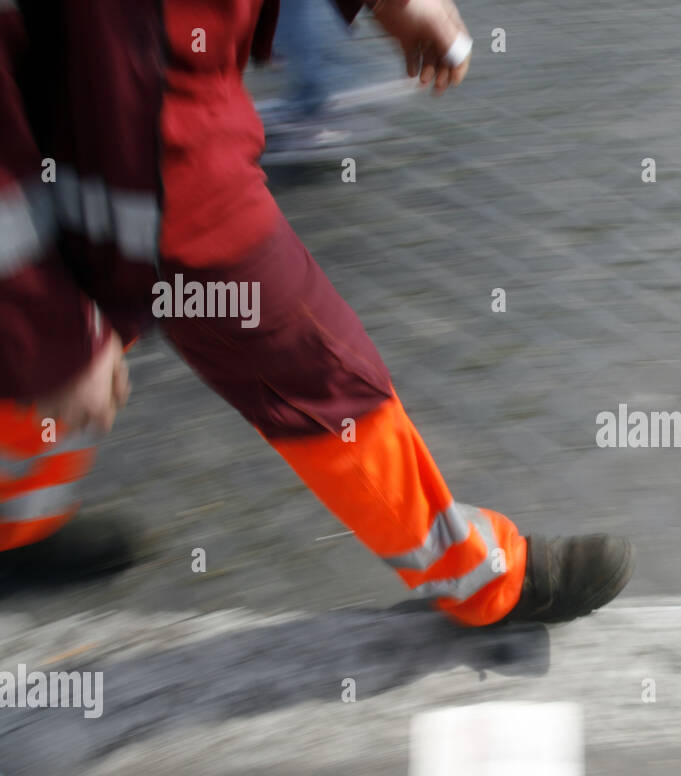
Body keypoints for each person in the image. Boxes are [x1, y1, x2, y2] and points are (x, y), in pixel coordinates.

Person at [0, 0, 634, 626]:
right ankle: (483, 579)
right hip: (164, 171)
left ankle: (11, 529)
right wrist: (49, 331)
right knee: (319, 375)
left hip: (133, 143)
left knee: (57, 349)